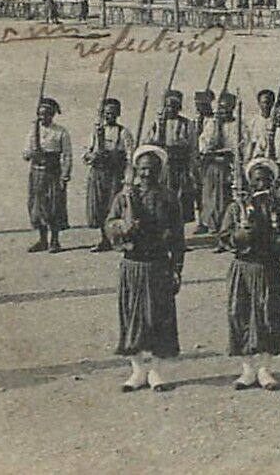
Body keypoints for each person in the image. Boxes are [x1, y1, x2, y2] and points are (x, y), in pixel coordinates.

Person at [106, 145, 184, 391]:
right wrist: (122, 226)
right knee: (133, 319)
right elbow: (109, 225)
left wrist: (177, 269)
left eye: (152, 169)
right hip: (133, 266)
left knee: (159, 318)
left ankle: (156, 372)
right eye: (142, 169)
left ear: (159, 171)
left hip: (158, 265)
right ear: (135, 170)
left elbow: (179, 239)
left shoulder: (169, 197)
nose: (146, 174)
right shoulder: (124, 197)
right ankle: (137, 371)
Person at [219, 158, 280, 391]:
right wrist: (238, 235)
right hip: (243, 268)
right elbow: (224, 237)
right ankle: (247, 370)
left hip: (269, 268)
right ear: (250, 182)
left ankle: (265, 369)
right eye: (257, 181)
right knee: (240, 313)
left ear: (273, 182)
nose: (261, 184)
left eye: (266, 180)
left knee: (268, 314)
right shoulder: (237, 207)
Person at [23, 96, 71, 253]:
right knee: (37, 206)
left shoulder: (60, 132)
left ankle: (55, 241)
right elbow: (25, 154)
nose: (44, 117)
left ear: (53, 114)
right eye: (41, 114)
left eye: (48, 114)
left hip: (53, 174)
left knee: (54, 206)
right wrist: (32, 152)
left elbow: (67, 155)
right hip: (37, 173)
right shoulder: (33, 131)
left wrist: (65, 175)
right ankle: (42, 240)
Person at [85, 97, 132, 251]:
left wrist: (128, 177)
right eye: (106, 113)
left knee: (115, 206)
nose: (109, 116)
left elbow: (130, 157)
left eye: (112, 113)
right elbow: (86, 154)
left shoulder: (124, 132)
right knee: (99, 207)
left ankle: (117, 239)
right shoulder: (96, 131)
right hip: (98, 174)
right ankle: (104, 239)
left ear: (118, 114)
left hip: (115, 175)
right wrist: (94, 155)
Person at [147, 90, 196, 226]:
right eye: (168, 105)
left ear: (179, 107)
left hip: (181, 167)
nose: (171, 108)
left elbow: (193, 147)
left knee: (181, 199)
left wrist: (191, 169)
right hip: (164, 168)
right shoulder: (157, 124)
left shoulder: (187, 124)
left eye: (174, 105)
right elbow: (149, 143)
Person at [192, 90, 231, 235]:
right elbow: (204, 144)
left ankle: (225, 226)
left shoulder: (238, 125)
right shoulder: (212, 125)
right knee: (209, 195)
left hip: (230, 165)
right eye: (221, 109)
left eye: (227, 109)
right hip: (211, 164)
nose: (224, 112)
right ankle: (208, 223)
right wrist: (218, 128)